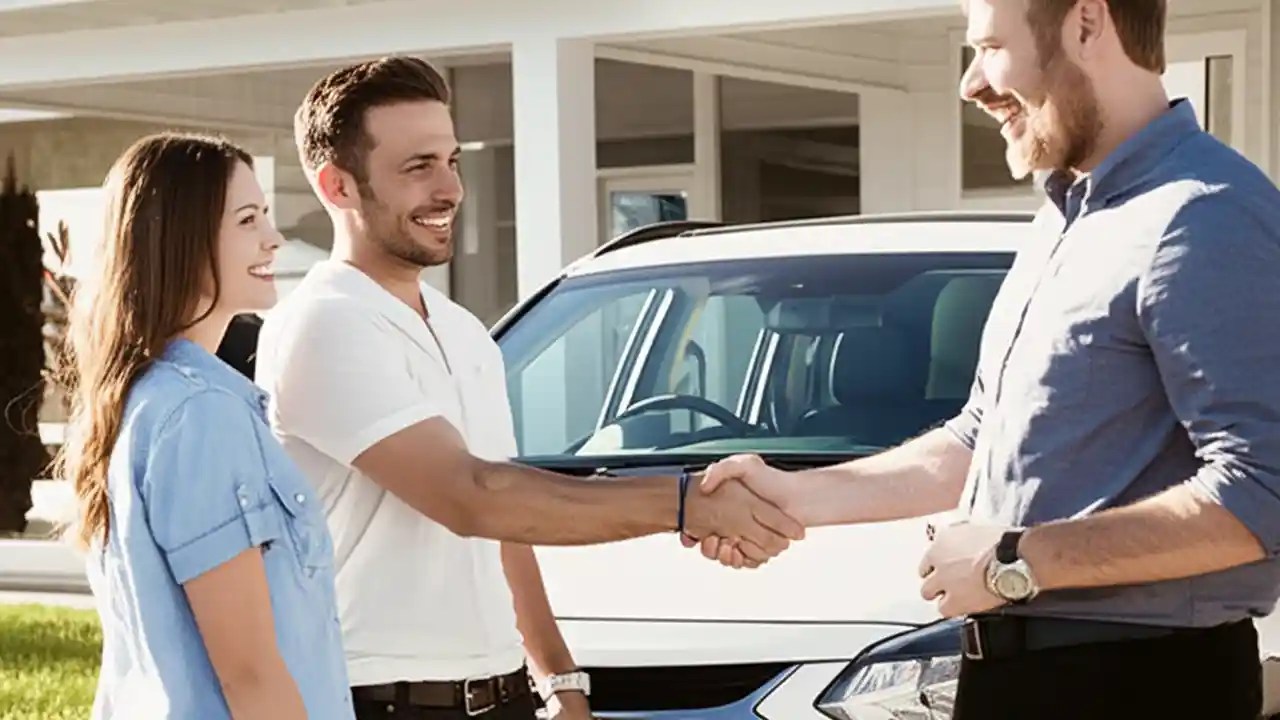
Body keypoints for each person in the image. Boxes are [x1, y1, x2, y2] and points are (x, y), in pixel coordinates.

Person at [693, 0, 1280, 718]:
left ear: (1087, 23)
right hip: (1017, 675)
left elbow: (1263, 488)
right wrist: (797, 494)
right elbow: (981, 437)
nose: (971, 84)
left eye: (991, 47)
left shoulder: (1205, 214)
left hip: (1137, 682)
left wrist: (1015, 562)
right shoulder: (1061, 221)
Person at [252, 56, 803, 720]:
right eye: (417, 167)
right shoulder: (324, 324)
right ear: (337, 186)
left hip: (503, 693)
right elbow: (473, 498)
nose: (450, 189)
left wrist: (559, 679)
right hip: (380, 699)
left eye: (452, 161)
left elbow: (506, 527)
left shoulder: (460, 331)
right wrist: (688, 503)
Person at [58, 132, 353, 719]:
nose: (274, 238)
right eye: (248, 220)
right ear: (181, 242)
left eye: (265, 216)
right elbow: (250, 675)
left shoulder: (141, 400)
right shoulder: (201, 416)